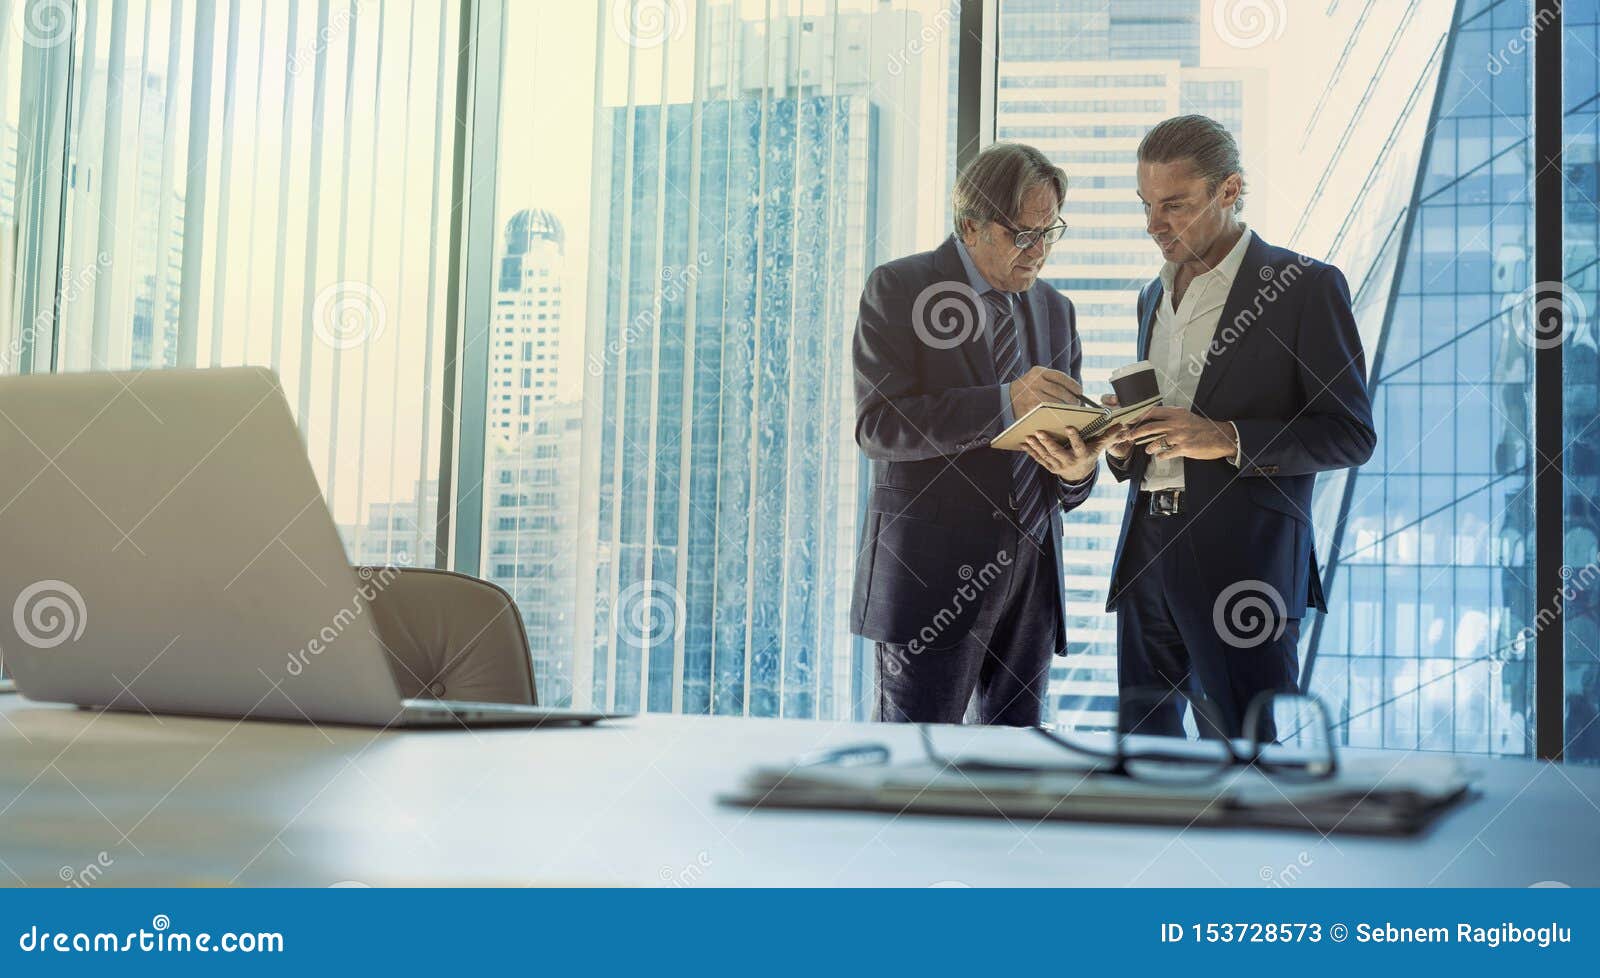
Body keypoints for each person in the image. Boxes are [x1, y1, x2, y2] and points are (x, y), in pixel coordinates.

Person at [1103, 115, 1376, 738]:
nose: (1154, 225)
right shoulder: (1152, 296)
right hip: (1145, 552)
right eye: (1146, 205)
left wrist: (1226, 437)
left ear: (1230, 190)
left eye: (1175, 205)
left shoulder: (1306, 287)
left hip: (1245, 565)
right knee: (1142, 756)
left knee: (1247, 756)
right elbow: (1158, 430)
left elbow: (1349, 433)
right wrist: (1119, 441)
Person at [850, 142, 1114, 725]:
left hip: (1032, 588)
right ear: (970, 225)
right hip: (931, 582)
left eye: (1051, 232)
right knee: (915, 779)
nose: (1040, 252)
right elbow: (880, 425)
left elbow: (1067, 466)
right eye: (1024, 234)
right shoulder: (901, 287)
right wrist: (1004, 403)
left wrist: (1079, 470)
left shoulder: (1056, 309)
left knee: (1010, 779)